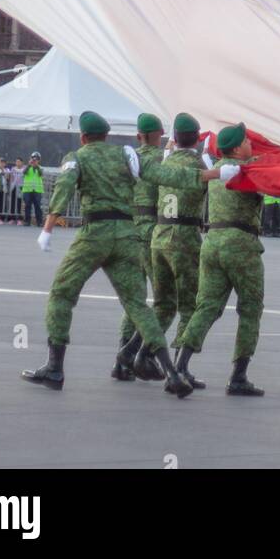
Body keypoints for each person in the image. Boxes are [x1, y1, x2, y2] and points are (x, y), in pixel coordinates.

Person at [22, 109, 226, 395]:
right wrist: (214, 172)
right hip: (129, 234)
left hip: (96, 234)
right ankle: (171, 372)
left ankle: (56, 367)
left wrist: (48, 227)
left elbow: (65, 185)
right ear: (107, 135)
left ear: (83, 137)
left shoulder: (77, 158)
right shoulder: (129, 156)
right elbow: (166, 175)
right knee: (139, 304)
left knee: (62, 294)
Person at [175, 122, 265, 397]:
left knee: (206, 307)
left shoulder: (215, 171)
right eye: (247, 140)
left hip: (212, 243)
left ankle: (179, 366)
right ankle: (238, 376)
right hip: (240, 244)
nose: (251, 144)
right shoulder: (246, 171)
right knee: (250, 309)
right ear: (237, 149)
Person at [146, 112, 208, 388]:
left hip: (159, 236)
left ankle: (137, 353)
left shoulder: (165, 160)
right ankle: (180, 368)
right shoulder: (199, 163)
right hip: (184, 239)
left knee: (162, 304)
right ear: (197, 139)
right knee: (189, 306)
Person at [114, 113, 166, 375]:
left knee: (134, 299)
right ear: (161, 133)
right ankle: (138, 353)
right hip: (153, 230)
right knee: (163, 300)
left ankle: (121, 360)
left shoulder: (126, 160)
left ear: (138, 136)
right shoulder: (160, 160)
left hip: (127, 229)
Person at [22, 154, 45, 227]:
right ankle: (27, 221)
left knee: (37, 206)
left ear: (39, 160)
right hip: (27, 190)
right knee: (27, 206)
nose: (34, 161)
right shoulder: (27, 167)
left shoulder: (40, 168)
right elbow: (24, 172)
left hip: (37, 190)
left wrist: (36, 166)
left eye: (36, 159)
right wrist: (29, 165)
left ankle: (39, 222)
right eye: (33, 159)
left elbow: (41, 174)